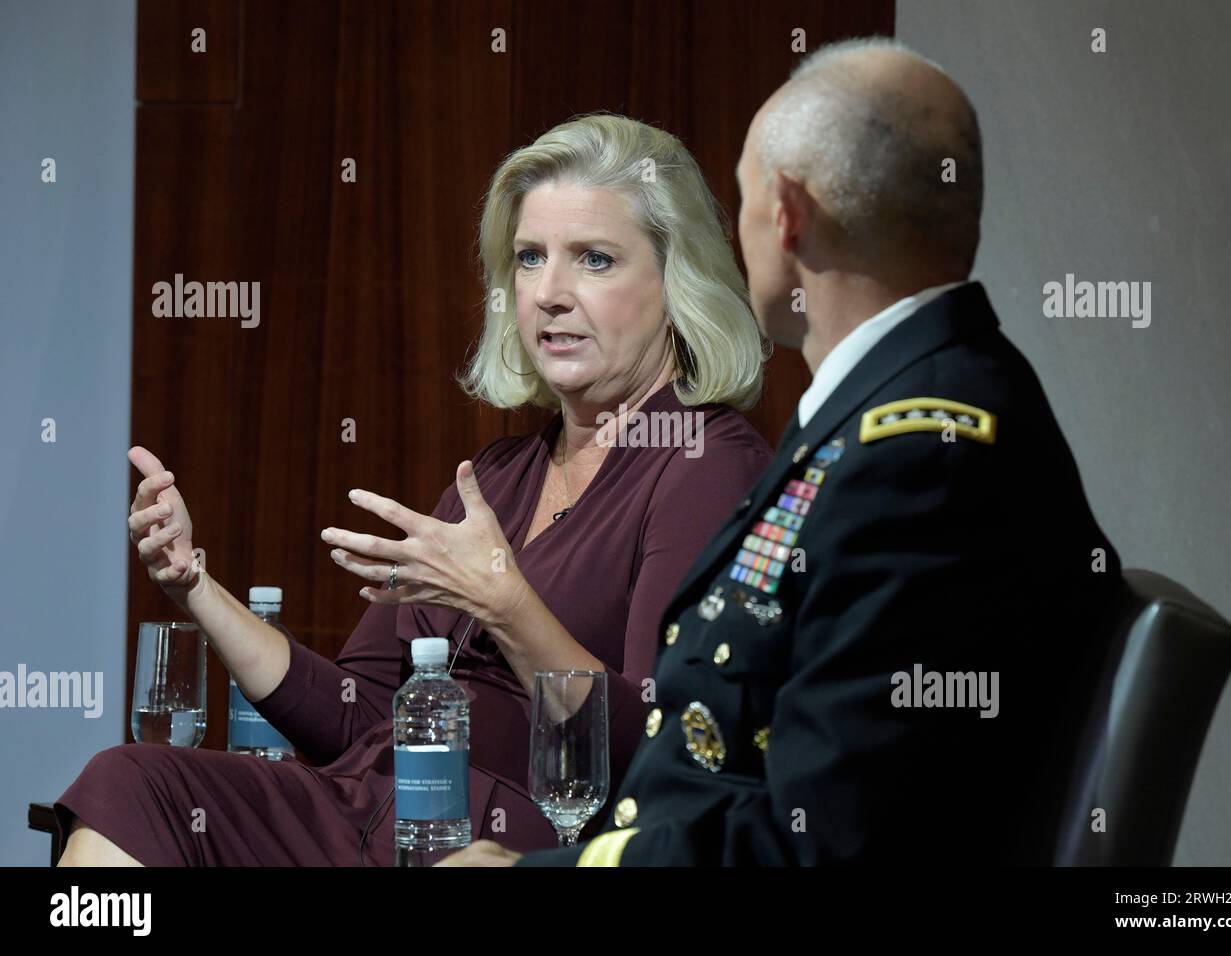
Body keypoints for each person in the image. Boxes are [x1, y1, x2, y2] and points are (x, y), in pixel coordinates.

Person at [438, 37, 1123, 868]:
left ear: (789, 212)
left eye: (745, 198)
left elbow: (827, 842)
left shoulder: (921, 459)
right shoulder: (883, 415)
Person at [54, 113, 773, 866]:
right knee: (130, 783)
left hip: (514, 843)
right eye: (530, 259)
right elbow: (358, 716)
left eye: (594, 259)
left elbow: (667, 749)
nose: (551, 292)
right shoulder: (498, 474)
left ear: (675, 279)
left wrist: (505, 603)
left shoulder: (703, 462)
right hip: (367, 810)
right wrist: (194, 584)